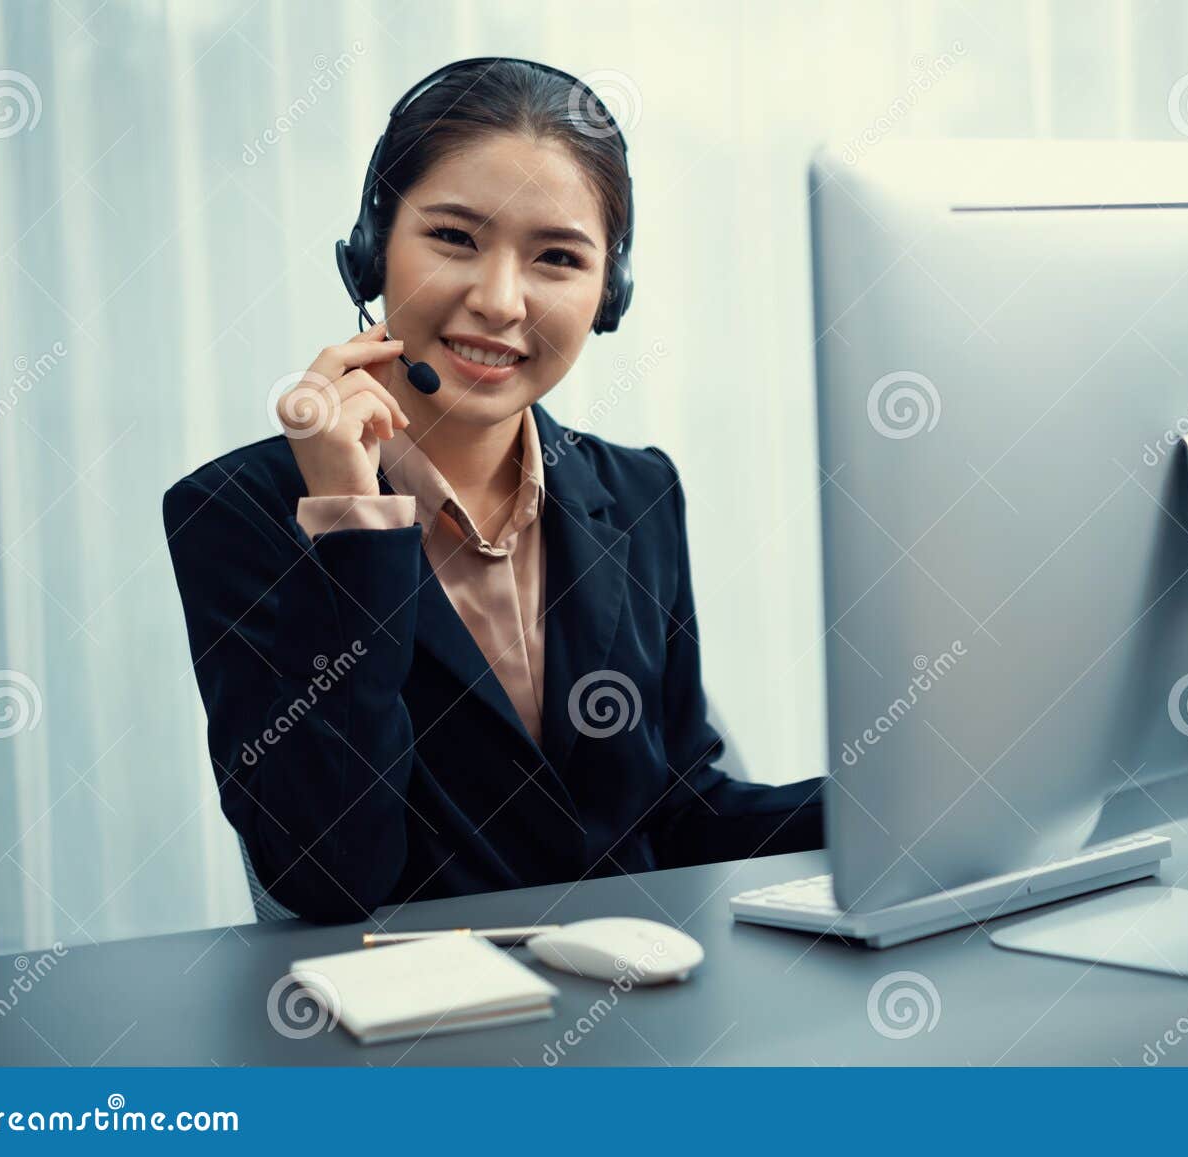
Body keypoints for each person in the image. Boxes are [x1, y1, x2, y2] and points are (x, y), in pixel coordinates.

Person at [163, 58, 823, 925]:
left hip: (634, 1020)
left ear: (606, 295)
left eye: (557, 257)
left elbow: (677, 811)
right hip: (413, 1040)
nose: (500, 299)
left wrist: (892, 797)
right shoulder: (237, 511)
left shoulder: (638, 489)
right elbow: (330, 873)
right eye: (454, 238)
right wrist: (351, 525)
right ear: (370, 253)